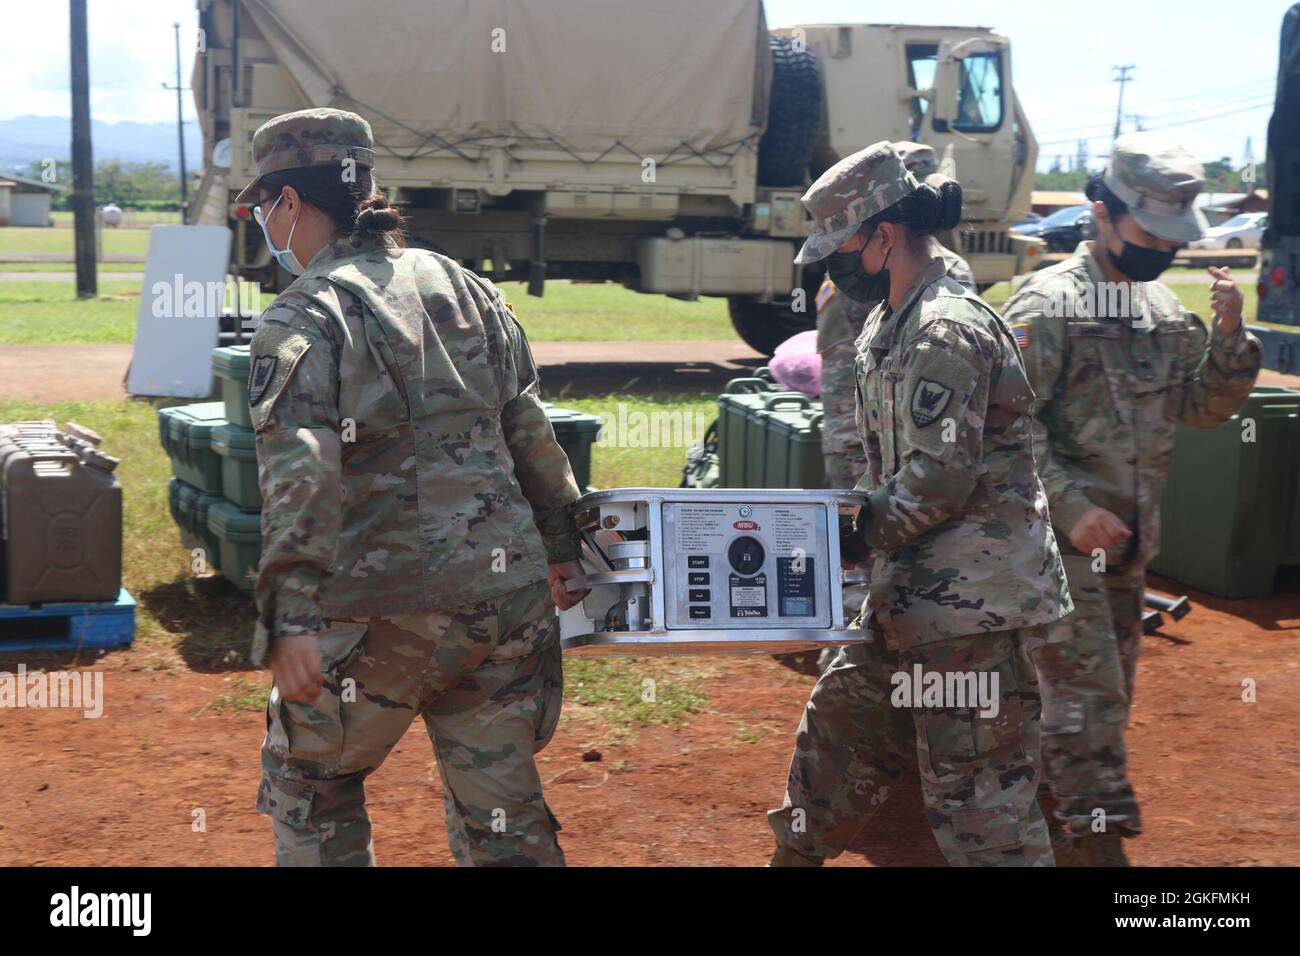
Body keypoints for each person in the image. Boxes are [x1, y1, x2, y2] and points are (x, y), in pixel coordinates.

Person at [239, 108, 588, 866]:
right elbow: (527, 423)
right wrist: (563, 546)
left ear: (291, 203)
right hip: (505, 604)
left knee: (310, 783)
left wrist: (291, 611)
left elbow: (301, 465)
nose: (266, 222)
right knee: (502, 809)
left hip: (383, 609)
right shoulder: (464, 285)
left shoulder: (306, 313)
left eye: (265, 206)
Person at [768, 142, 1072, 867]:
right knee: (837, 738)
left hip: (971, 609)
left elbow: (935, 482)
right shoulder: (887, 320)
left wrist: (844, 532)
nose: (833, 263)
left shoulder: (946, 328)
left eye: (840, 245)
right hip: (903, 592)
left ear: (883, 234)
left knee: (980, 807)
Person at [1001, 132, 1261, 866]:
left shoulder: (1158, 309)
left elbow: (1203, 407)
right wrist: (1070, 505)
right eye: (1151, 234)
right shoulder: (1048, 306)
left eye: (1176, 237)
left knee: (1092, 706)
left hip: (1126, 552)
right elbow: (998, 429)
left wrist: (1232, 337)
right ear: (1102, 214)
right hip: (1054, 555)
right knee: (1089, 712)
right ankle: (1097, 852)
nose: (1165, 250)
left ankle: (1036, 820)